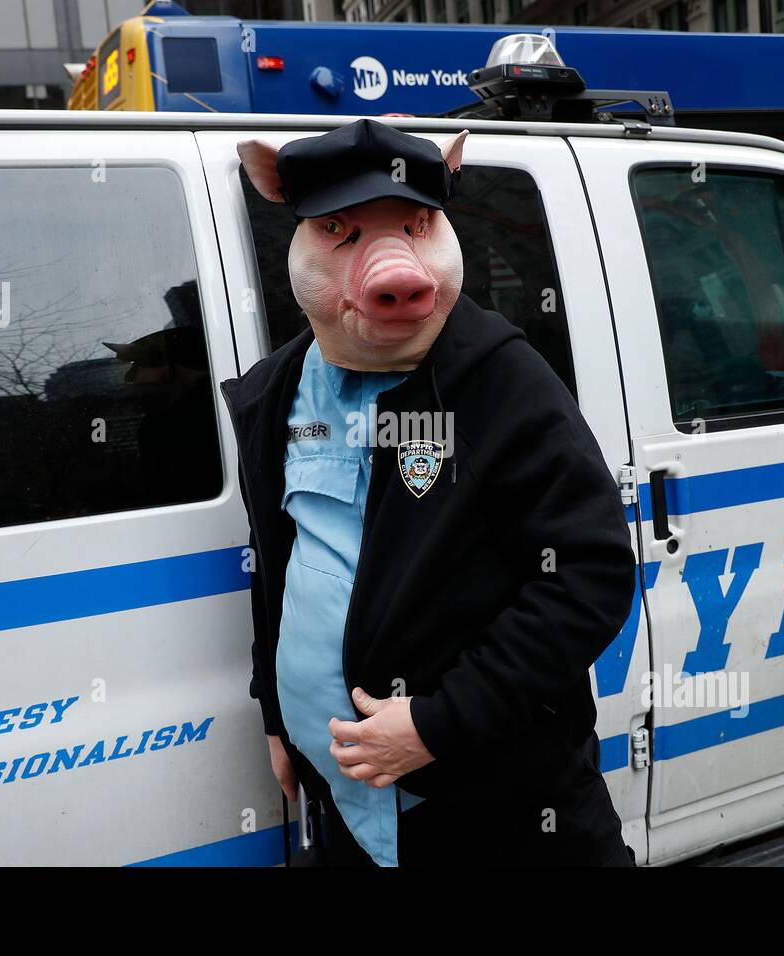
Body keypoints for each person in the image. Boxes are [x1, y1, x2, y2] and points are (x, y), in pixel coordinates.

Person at [220, 119, 636, 867]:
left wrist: (438, 724)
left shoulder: (503, 384)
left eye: (415, 227)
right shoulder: (279, 390)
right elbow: (277, 568)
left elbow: (589, 575)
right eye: (341, 231)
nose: (395, 267)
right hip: (348, 801)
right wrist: (279, 717)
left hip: (499, 812)